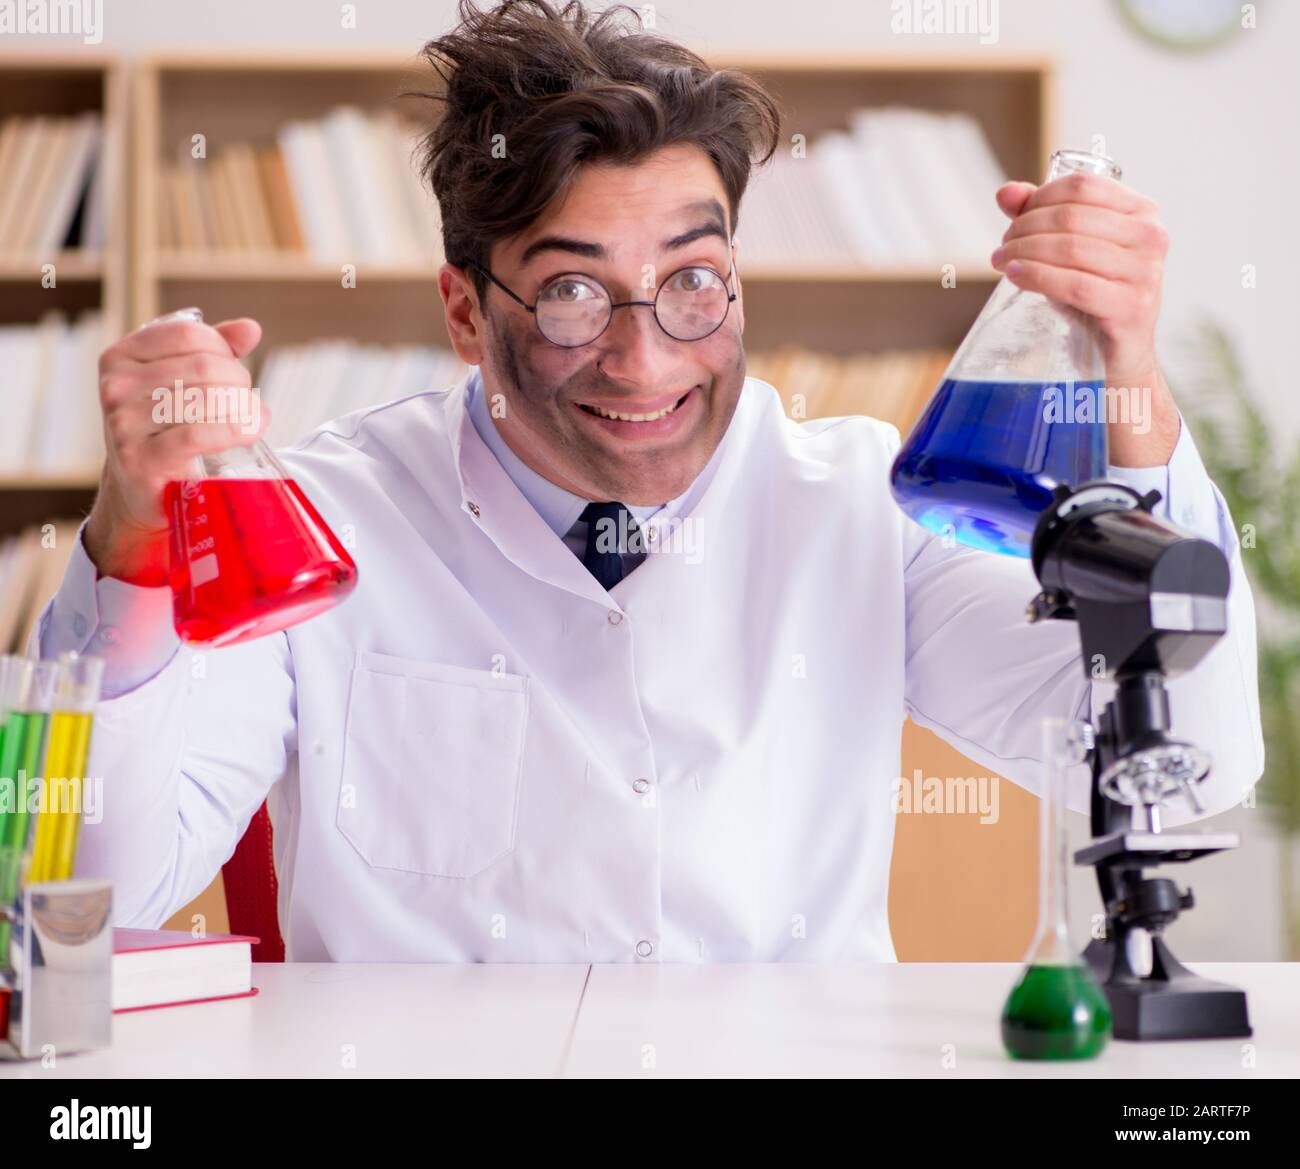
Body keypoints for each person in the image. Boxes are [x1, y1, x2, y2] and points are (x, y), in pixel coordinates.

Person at [34, 0, 1261, 962]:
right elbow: (88, 885)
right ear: (465, 310)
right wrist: (133, 541)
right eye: (570, 291)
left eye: (693, 279)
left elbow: (1181, 774)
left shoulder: (860, 505)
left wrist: (1129, 379)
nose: (644, 355)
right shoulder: (325, 516)